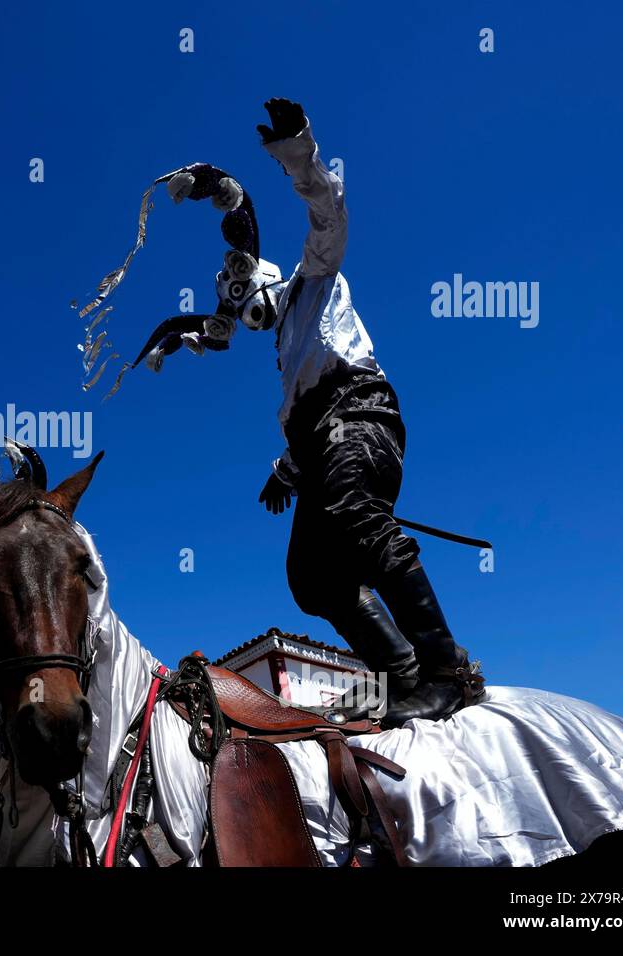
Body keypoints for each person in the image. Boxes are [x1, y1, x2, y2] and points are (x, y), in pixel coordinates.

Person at [251, 99, 484, 725]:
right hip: (319, 443)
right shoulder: (283, 345)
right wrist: (285, 472)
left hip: (360, 416)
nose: (249, 314)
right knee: (309, 576)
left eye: (249, 298)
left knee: (354, 515)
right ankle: (398, 673)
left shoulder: (313, 278)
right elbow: (305, 412)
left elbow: (328, 213)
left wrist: (298, 154)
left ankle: (447, 671)